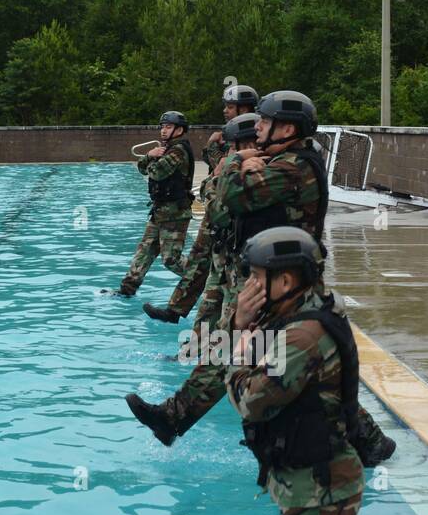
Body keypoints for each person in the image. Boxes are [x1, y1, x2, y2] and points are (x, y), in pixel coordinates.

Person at [126, 90, 395, 466]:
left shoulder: (293, 168)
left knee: (260, 357)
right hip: (277, 282)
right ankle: (369, 442)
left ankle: (174, 418)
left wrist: (235, 162)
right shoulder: (284, 161)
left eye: (265, 123)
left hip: (286, 286)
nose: (259, 131)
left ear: (287, 128)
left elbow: (231, 196)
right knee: (273, 360)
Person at [226, 227, 365, 515]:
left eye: (258, 277)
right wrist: (239, 323)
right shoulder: (302, 310)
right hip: (308, 484)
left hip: (318, 492)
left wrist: (237, 356)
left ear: (285, 282)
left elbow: (251, 403)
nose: (250, 287)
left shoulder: (302, 337)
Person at [143, 84, 259, 324]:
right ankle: (175, 311)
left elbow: (222, 173)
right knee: (199, 259)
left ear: (244, 108)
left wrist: (217, 153)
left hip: (230, 213)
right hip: (217, 209)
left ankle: (219, 334)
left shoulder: (250, 137)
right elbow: (216, 166)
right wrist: (212, 146)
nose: (225, 111)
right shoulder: (231, 134)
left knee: (223, 274)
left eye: (230, 106)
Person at [117, 111, 194, 297]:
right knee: (145, 251)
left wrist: (151, 159)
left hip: (175, 214)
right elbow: (142, 168)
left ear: (179, 130)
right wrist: (150, 155)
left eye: (168, 127)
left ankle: (205, 280)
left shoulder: (178, 150)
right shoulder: (165, 148)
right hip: (159, 211)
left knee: (171, 260)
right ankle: (127, 290)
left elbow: (157, 172)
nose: (163, 131)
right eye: (162, 127)